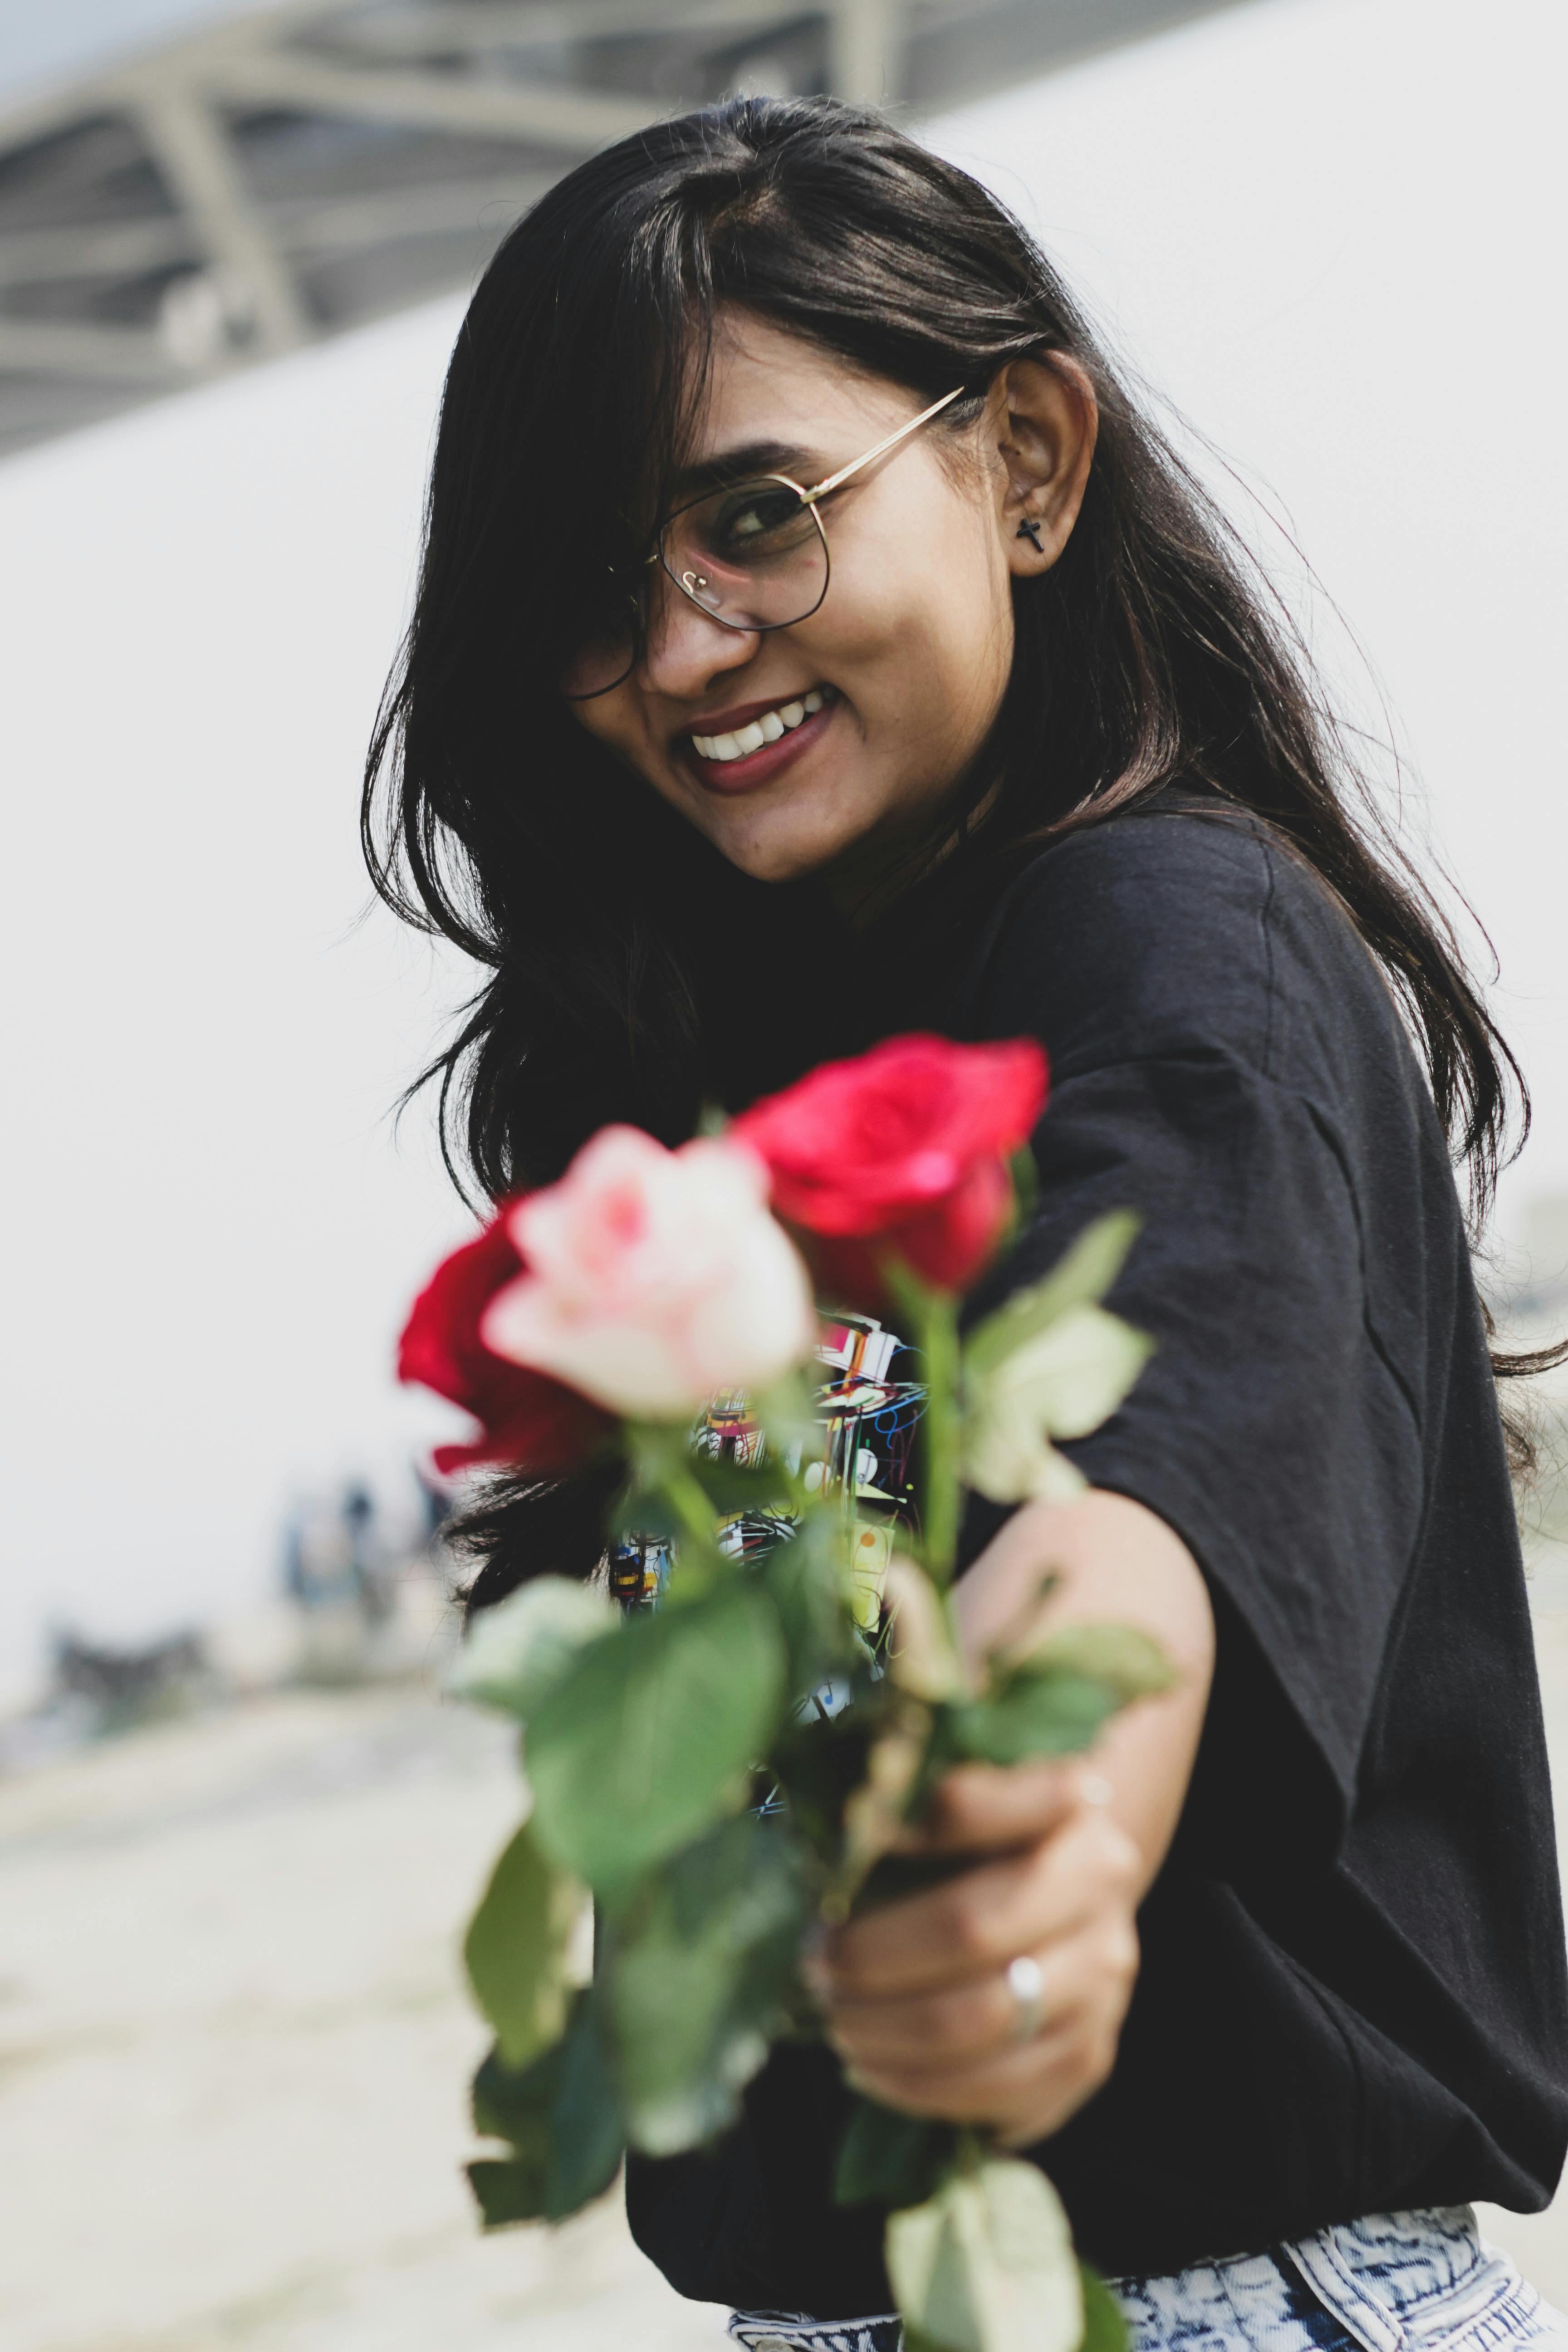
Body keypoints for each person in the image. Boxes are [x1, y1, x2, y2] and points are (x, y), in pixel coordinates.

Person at [364, 95, 1568, 2352]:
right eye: (590, 591)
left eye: (756, 519)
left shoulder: (1176, 937)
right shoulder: (757, 1089)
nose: (687, 646)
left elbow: (1158, 1463)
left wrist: (1054, 1840)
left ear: (1024, 458)